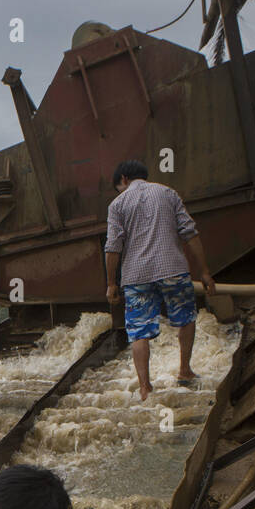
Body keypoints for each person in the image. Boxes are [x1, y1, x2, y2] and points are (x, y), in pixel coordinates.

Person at [103, 159, 216, 402]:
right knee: (185, 317)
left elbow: (112, 247)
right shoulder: (168, 193)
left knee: (139, 332)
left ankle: (145, 388)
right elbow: (190, 232)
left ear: (123, 179)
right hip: (172, 269)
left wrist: (112, 283)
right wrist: (204, 271)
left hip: (136, 276)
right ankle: (185, 371)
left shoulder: (117, 204)